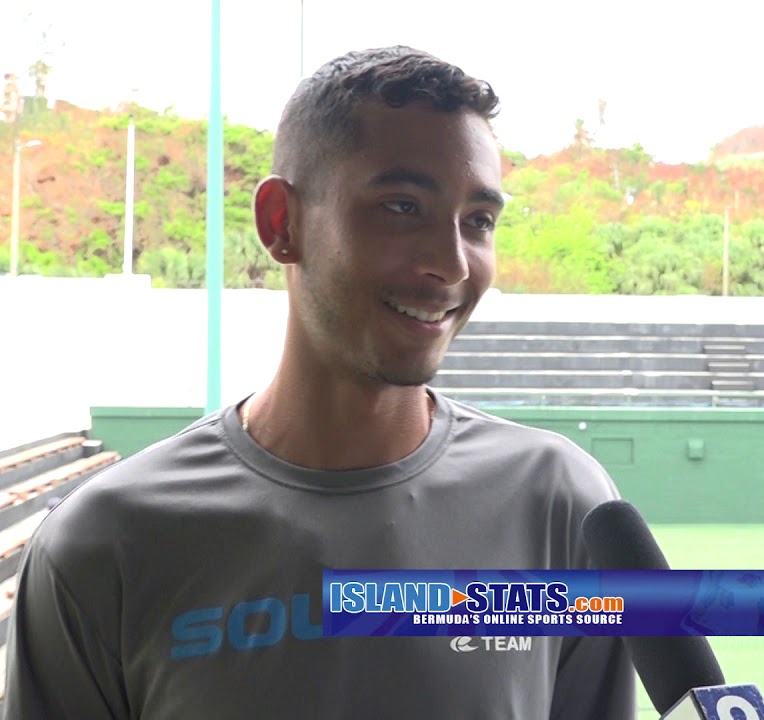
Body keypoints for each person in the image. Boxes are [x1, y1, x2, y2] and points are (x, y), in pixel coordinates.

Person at [3, 47, 635, 719]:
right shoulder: (106, 543)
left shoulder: (560, 505)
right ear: (282, 223)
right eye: (401, 206)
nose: (451, 264)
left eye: (478, 221)